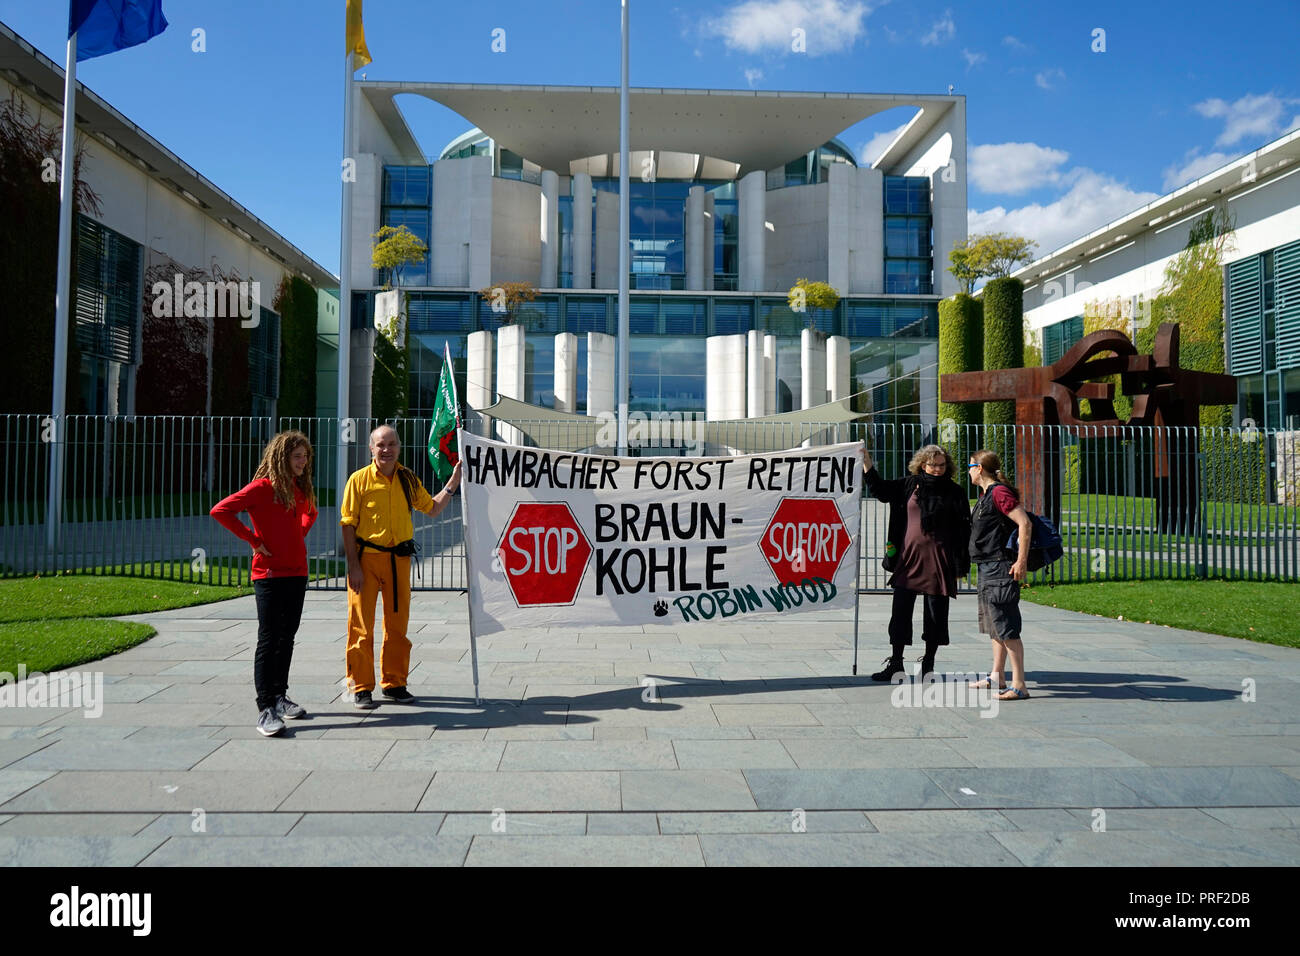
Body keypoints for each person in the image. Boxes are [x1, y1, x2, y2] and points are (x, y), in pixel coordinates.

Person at [341, 424, 461, 709]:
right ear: (371, 449)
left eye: (392, 444)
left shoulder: (407, 479)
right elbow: (347, 524)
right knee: (361, 626)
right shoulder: (358, 481)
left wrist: (453, 482)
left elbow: (431, 508)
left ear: (399, 447)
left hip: (398, 561)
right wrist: (353, 566)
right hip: (366, 559)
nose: (386, 449)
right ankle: (361, 686)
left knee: (397, 626)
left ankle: (394, 683)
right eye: (381, 445)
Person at [211, 430, 318, 737]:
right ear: (282, 457)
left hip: (297, 572)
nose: (303, 461)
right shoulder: (262, 487)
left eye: (305, 456)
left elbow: (311, 512)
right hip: (269, 575)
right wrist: (253, 540)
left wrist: (298, 535)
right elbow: (221, 510)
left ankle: (281, 696)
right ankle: (265, 707)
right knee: (269, 638)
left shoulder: (299, 489)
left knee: (287, 637)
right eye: (297, 456)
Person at [862, 444, 972, 681]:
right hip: (908, 559)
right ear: (923, 464)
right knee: (900, 611)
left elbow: (963, 529)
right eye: (933, 465)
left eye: (942, 465)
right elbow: (880, 490)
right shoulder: (908, 485)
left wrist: (960, 564)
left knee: (935, 613)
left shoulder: (955, 492)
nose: (937, 469)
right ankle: (896, 663)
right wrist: (866, 462)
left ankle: (928, 663)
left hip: (940, 560)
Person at [966, 449, 1034, 701]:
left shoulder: (999, 493)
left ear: (979, 468)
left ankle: (1019, 685)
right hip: (986, 567)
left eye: (970, 466)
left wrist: (1021, 560)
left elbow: (1024, 523)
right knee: (994, 625)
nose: (968, 471)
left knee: (1006, 626)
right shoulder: (987, 495)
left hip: (999, 568)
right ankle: (997, 675)